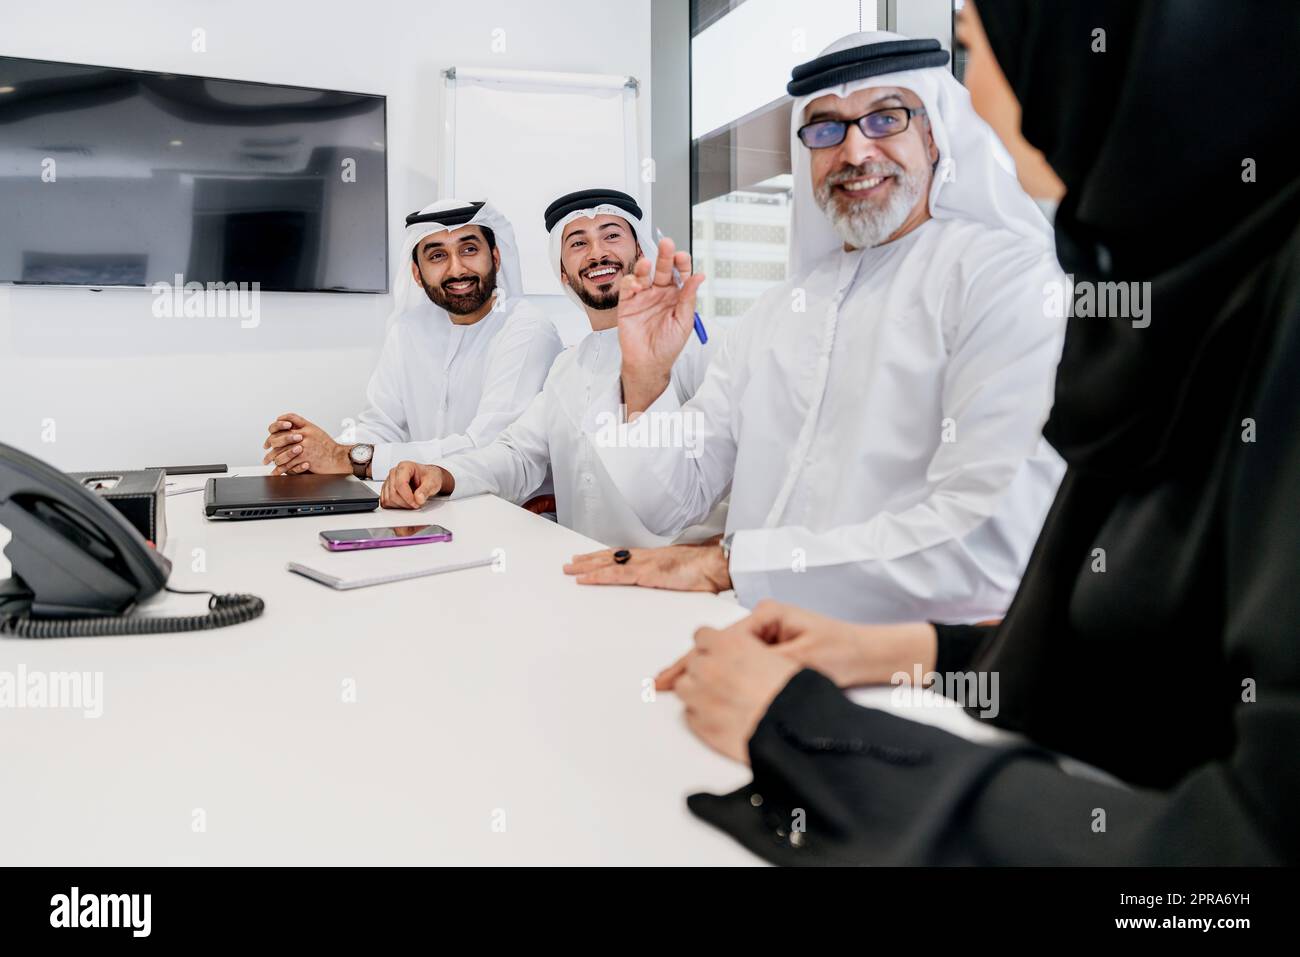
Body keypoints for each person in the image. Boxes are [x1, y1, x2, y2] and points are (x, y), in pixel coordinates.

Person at [664, 0, 1300, 865]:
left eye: (984, 33)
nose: (980, 66)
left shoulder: (1036, 280)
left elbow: (1230, 876)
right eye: (827, 129)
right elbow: (1138, 679)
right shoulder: (1173, 288)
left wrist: (812, 737)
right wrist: (914, 650)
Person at [565, 31, 1065, 624]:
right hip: (745, 649)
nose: (855, 152)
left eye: (885, 119)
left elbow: (992, 540)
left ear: (933, 137)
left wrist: (731, 566)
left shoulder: (1005, 280)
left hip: (902, 678)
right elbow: (671, 501)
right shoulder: (775, 313)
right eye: (827, 128)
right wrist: (645, 377)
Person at [378, 189, 724, 546]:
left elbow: (742, 466)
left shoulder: (696, 342)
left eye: (611, 235)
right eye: (577, 243)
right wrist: (441, 474)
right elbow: (517, 455)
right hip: (584, 577)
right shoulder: (566, 368)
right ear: (562, 272)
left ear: (639, 251)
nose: (597, 252)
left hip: (679, 587)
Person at [261, 200, 562, 482]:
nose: (456, 269)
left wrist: (345, 458)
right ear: (417, 274)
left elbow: (486, 449)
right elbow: (382, 425)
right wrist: (309, 454)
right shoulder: (409, 329)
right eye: (437, 256)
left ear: (495, 258)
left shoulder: (526, 327)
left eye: (469, 249)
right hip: (424, 501)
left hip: (510, 513)